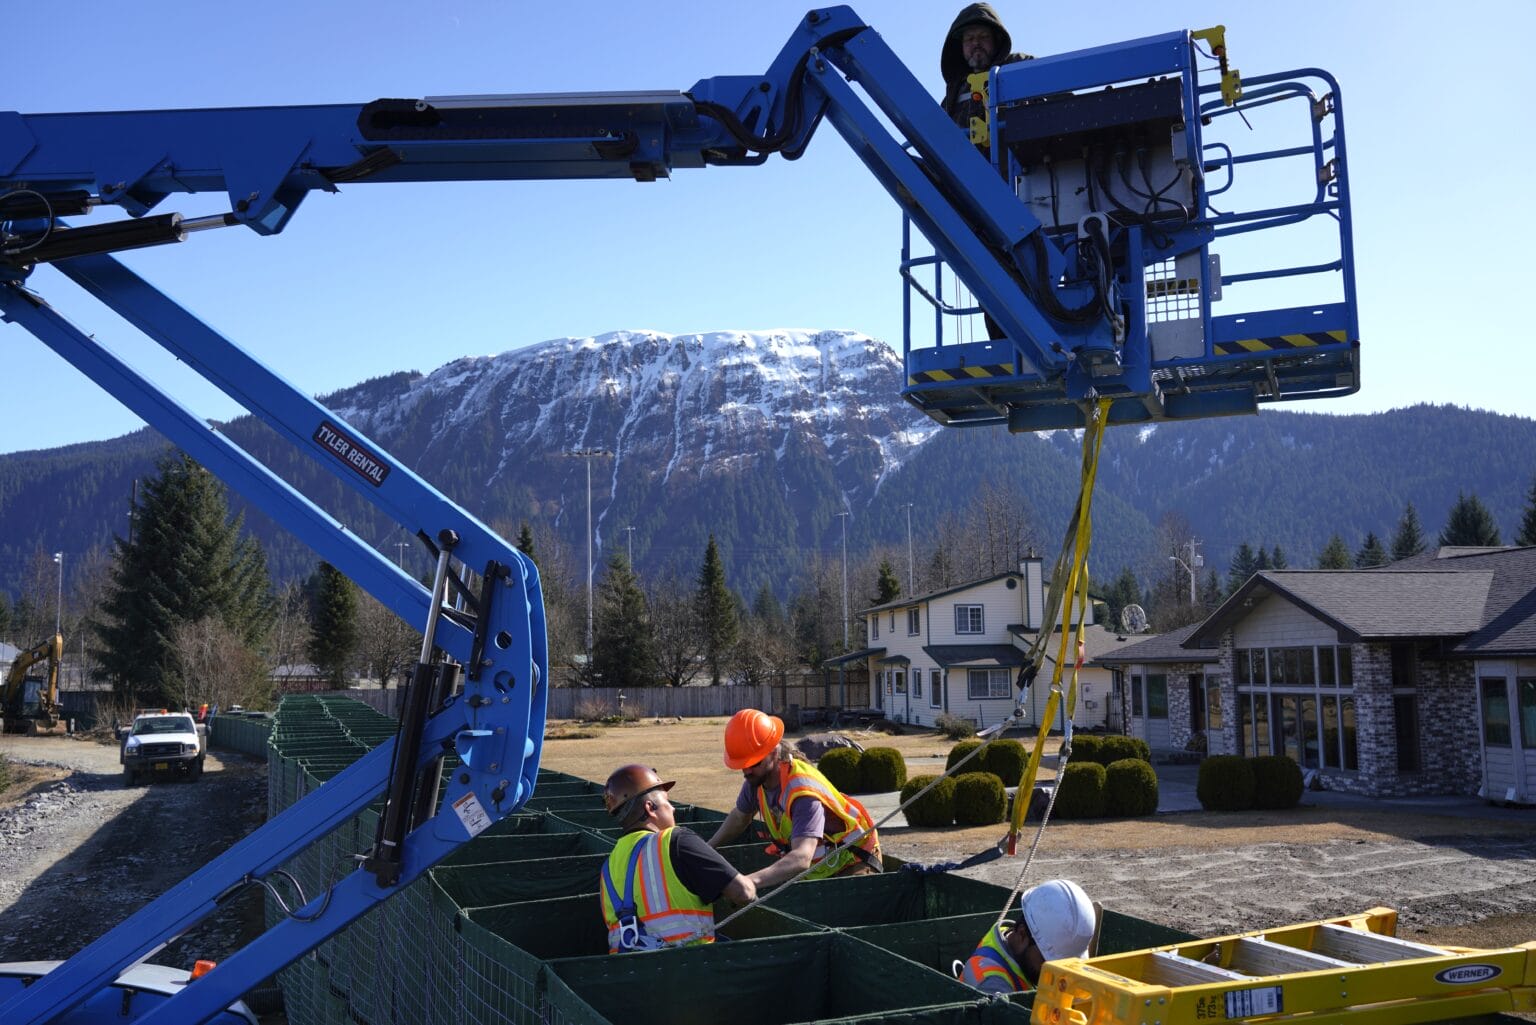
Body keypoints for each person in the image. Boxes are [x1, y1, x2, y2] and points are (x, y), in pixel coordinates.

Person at [706, 708, 881, 888]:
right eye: (743, 764)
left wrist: (748, 883)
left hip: (853, 861)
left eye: (754, 763)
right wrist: (708, 848)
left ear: (774, 752)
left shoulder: (802, 793)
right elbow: (739, 818)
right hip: (820, 868)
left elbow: (801, 858)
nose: (747, 771)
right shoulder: (756, 780)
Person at [597, 763, 756, 954]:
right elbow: (743, 893)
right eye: (667, 801)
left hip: (630, 975)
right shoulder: (675, 840)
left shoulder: (608, 867)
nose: (673, 809)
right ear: (650, 808)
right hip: (689, 967)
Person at [956, 879, 1096, 993]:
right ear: (1022, 934)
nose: (1057, 972)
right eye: (1048, 960)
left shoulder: (1015, 946)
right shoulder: (991, 985)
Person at [939, 4, 1032, 139]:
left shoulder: (1019, 66)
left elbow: (1061, 98)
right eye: (970, 39)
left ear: (996, 40)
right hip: (965, 159)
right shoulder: (953, 95)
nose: (976, 43)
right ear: (960, 47)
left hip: (1015, 156)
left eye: (983, 36)